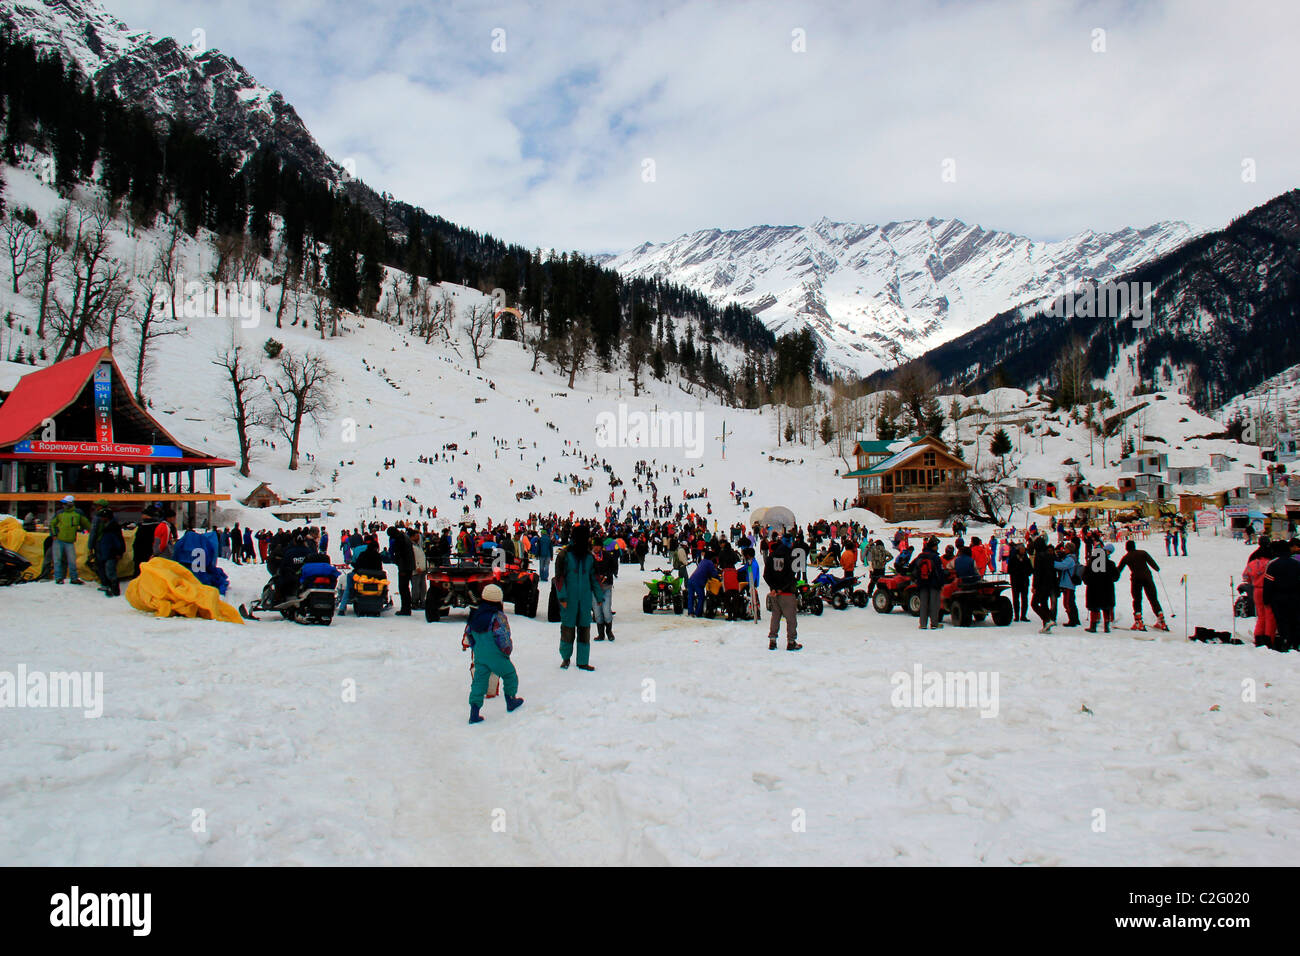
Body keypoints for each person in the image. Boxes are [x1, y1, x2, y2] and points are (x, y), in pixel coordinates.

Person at [464, 584, 524, 723]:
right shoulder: (498, 617)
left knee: (479, 682)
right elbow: (503, 637)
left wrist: (476, 647)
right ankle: (511, 700)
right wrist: (507, 651)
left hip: (480, 655)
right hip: (496, 655)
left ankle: (474, 712)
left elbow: (469, 634)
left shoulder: (475, 615)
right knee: (510, 675)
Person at [555, 525, 603, 671]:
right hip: (569, 600)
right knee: (567, 630)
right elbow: (559, 578)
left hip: (585, 600)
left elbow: (594, 578)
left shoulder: (589, 557)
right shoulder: (564, 555)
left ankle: (582, 661)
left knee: (584, 630)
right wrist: (562, 597)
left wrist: (599, 596)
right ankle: (566, 658)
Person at [1117, 540, 1167, 631]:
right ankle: (1161, 620)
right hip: (1148, 578)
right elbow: (1153, 564)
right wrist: (1156, 568)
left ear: (1126, 548)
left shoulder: (1126, 557)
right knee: (1153, 599)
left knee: (1137, 600)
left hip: (1136, 580)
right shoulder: (1143, 553)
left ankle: (1138, 622)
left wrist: (1110, 576)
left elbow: (1118, 570)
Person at [763, 534, 801, 650]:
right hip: (787, 592)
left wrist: (774, 588)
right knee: (791, 619)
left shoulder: (772, 556)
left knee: (775, 616)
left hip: (774, 593)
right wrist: (782, 588)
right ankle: (791, 642)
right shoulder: (791, 556)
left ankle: (772, 640)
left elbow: (766, 575)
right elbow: (791, 575)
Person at [1262, 540, 1300, 652]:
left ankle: (1285, 642)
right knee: (1295, 620)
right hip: (1296, 597)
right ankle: (1295, 643)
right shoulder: (1296, 564)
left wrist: (1266, 600)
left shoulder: (1273, 564)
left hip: (1278, 598)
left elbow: (1268, 584)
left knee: (1282, 621)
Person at [50, 496, 89, 585]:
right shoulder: (60, 513)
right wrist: (54, 535)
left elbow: (86, 523)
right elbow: (52, 524)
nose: (63, 505)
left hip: (68, 541)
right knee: (58, 560)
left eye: (65, 503)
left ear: (70, 504)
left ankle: (73, 578)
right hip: (59, 539)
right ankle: (59, 578)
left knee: (70, 560)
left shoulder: (77, 513)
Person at [90, 501, 125, 597]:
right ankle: (111, 588)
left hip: (110, 552)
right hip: (105, 551)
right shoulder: (108, 526)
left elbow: (118, 541)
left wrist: (119, 552)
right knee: (106, 569)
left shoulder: (112, 528)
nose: (101, 519)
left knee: (110, 571)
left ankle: (114, 589)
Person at [1082, 542, 1118, 632]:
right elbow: (1116, 576)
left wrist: (1088, 582)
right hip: (1107, 589)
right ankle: (1106, 626)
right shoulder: (1110, 564)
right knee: (1106, 607)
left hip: (1093, 589)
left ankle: (1093, 626)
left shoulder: (1091, 565)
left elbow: (1085, 577)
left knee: (1094, 607)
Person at [912, 537, 946, 630]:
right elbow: (940, 572)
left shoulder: (920, 556)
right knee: (934, 604)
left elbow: (913, 568)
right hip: (934, 584)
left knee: (923, 604)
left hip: (922, 583)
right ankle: (934, 624)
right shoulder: (935, 557)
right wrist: (941, 583)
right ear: (934, 547)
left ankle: (923, 624)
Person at [385, 526, 415, 615]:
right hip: (409, 566)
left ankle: (405, 609)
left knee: (403, 588)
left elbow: (401, 555)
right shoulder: (404, 536)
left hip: (404, 567)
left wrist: (401, 568)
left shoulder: (399, 539)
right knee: (406, 588)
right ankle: (407, 608)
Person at [1031, 538, 1057, 633]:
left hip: (1041, 584)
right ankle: (1046, 626)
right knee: (1044, 603)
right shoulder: (1050, 555)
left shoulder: (1039, 556)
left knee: (1034, 604)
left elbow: (1037, 572)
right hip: (1049, 584)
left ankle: (1047, 620)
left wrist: (1034, 586)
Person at [592, 543, 618, 640]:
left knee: (606, 610)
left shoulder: (607, 556)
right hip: (594, 588)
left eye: (597, 545)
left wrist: (606, 575)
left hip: (606, 586)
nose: (596, 547)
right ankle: (601, 633)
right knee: (597, 612)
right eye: (594, 545)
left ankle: (609, 631)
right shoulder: (590, 557)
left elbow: (614, 567)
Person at [1053, 544, 1082, 627]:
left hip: (1068, 583)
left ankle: (1072, 620)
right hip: (1069, 583)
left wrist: (1051, 561)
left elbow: (1062, 566)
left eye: (1065, 548)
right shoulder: (1072, 558)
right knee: (1071, 602)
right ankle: (1075, 619)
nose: (1064, 550)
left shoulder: (1070, 559)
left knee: (1067, 603)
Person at [1007, 543, 1032, 622]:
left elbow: (1030, 570)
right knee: (1016, 599)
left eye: (1024, 550)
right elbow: (1009, 570)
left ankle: (1023, 615)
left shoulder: (1026, 559)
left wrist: (1026, 573)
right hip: (1016, 581)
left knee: (1024, 599)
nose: (1023, 551)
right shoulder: (1013, 558)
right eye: (1021, 549)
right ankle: (1017, 615)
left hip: (1024, 582)